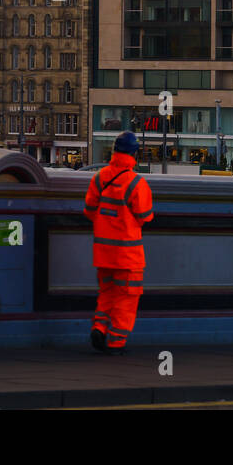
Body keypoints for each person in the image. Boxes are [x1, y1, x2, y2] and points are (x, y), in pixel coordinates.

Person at [84, 131, 154, 354]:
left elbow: (89, 210)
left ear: (114, 151)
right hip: (128, 254)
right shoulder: (136, 183)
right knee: (127, 298)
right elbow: (145, 216)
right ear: (135, 154)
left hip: (103, 252)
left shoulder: (99, 177)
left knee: (107, 293)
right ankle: (116, 342)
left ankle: (99, 327)